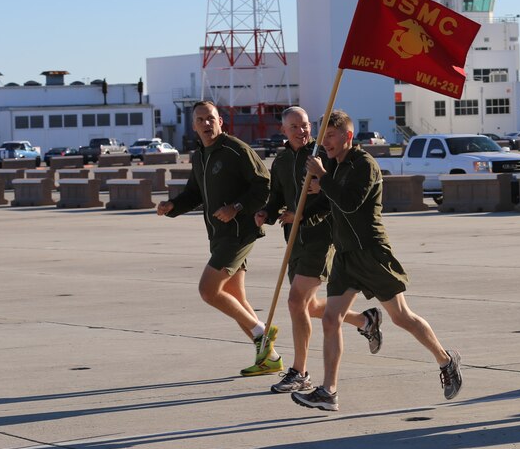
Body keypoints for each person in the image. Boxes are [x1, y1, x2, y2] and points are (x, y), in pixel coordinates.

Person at [290, 111, 462, 412]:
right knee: (331, 320)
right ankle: (328, 391)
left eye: (330, 136)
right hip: (344, 255)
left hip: (370, 253)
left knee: (401, 317)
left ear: (347, 136)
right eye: (322, 136)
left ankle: (446, 360)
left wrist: (324, 178)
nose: (324, 142)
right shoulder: (333, 165)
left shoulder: (363, 165)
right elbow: (328, 203)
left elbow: (349, 202)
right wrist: (303, 210)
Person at [255, 106, 383, 393]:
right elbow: (276, 196)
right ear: (284, 131)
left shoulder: (323, 157)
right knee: (308, 306)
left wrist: (305, 211)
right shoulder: (282, 160)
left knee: (294, 302)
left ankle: (300, 372)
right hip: (294, 239)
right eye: (294, 128)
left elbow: (332, 200)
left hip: (321, 238)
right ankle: (366, 320)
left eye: (305, 126)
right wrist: (267, 213)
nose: (302, 132)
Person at [156, 101, 278, 375]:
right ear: (194, 125)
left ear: (220, 120)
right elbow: (194, 193)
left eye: (210, 118)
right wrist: (172, 206)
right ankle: (269, 358)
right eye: (200, 120)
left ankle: (262, 333)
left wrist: (236, 207)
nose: (206, 124)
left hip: (239, 232)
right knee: (235, 298)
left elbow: (264, 185)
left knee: (208, 290)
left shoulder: (235, 149)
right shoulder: (200, 155)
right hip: (218, 234)